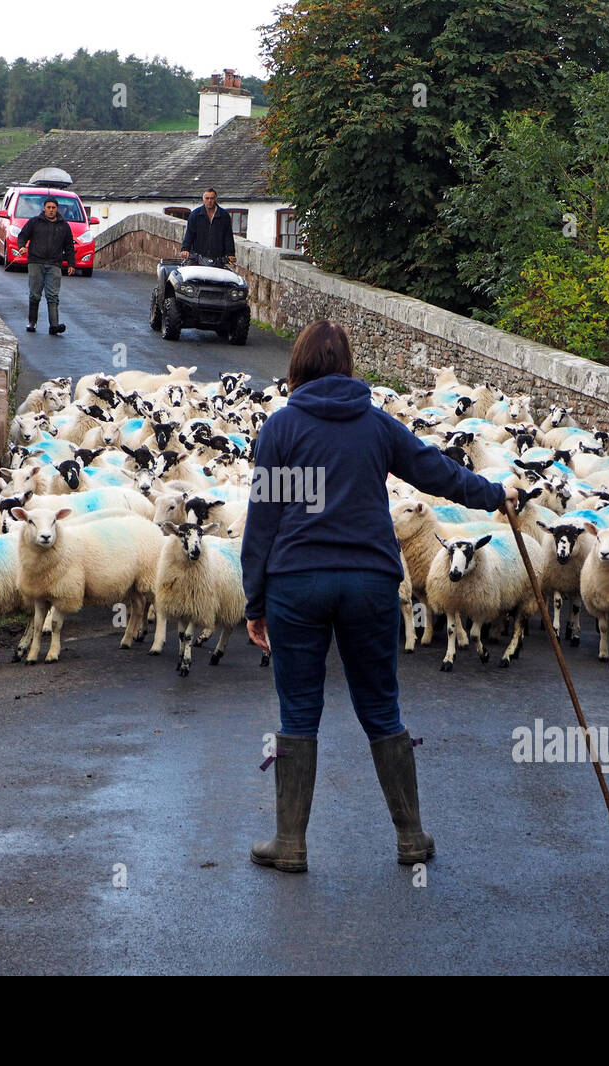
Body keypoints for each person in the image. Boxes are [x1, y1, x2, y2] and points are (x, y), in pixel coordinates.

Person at [241, 320, 519, 873]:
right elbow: (435, 472)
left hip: (298, 582)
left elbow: (262, 522)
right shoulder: (376, 426)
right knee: (381, 705)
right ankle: (411, 837)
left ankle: (290, 843)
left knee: (299, 709)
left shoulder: (281, 430)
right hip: (369, 580)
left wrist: (255, 601)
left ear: (297, 365)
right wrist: (493, 494)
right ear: (347, 366)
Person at [16, 198, 76, 335]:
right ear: (44, 208)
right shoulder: (34, 222)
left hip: (54, 264)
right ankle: (32, 322)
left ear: (57, 209)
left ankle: (54, 326)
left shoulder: (64, 226)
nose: (51, 210)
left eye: (53, 207)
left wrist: (71, 264)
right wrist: (21, 247)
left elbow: (69, 247)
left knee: (53, 295)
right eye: (48, 207)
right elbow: (22, 236)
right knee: (35, 294)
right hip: (35, 262)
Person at [180, 188, 235, 267]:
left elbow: (228, 236)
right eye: (207, 198)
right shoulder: (195, 215)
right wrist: (185, 249)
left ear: (216, 199)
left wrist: (230, 254)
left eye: (212, 198)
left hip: (217, 257)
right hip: (197, 256)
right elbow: (189, 234)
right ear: (203, 199)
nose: (209, 201)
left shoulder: (224, 215)